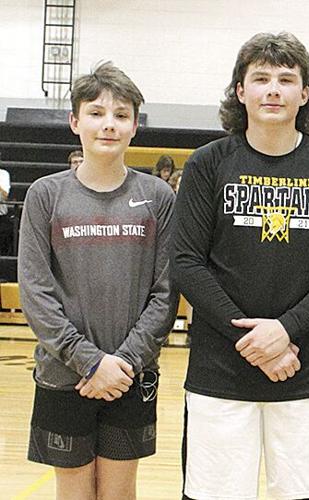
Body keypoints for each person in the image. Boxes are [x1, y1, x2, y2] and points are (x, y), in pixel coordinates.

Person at [172, 32, 309, 500]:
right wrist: (254, 341)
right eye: (261, 78)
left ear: (304, 93)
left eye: (286, 79)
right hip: (220, 371)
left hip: (305, 369)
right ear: (240, 91)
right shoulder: (207, 164)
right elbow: (187, 262)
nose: (273, 90)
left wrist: (286, 330)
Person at [18, 62, 177, 500]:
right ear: (75, 121)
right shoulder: (45, 195)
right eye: (96, 112)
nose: (109, 124)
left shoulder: (158, 197)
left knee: (119, 492)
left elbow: (165, 293)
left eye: (121, 115)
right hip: (63, 374)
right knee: (73, 493)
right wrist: (89, 362)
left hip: (131, 374)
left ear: (134, 127)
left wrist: (122, 363)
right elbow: (35, 292)